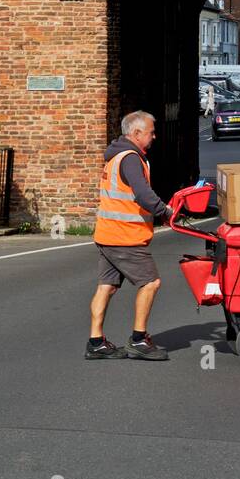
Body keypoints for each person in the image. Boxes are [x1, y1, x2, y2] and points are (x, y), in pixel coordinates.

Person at [87, 111, 174, 362]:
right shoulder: (131, 159)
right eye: (151, 132)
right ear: (136, 133)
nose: (154, 136)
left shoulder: (116, 156)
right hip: (125, 237)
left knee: (107, 287)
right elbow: (143, 194)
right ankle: (139, 339)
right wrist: (165, 212)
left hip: (107, 233)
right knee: (150, 282)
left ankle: (96, 342)